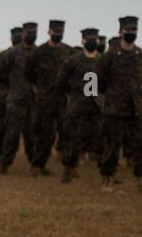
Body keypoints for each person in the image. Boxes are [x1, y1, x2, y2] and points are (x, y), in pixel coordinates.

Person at [96, 15, 141, 192]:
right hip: (114, 109)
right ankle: (107, 179)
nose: (132, 33)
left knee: (139, 145)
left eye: (134, 30)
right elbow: (92, 78)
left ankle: (140, 179)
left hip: (136, 110)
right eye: (129, 30)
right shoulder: (110, 55)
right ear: (121, 32)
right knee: (111, 146)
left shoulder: (140, 55)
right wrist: (97, 99)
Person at [55, 27, 103, 183]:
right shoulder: (73, 60)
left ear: (98, 41)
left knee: (100, 138)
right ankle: (69, 169)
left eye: (94, 39)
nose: (91, 41)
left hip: (97, 106)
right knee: (75, 139)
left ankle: (106, 173)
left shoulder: (103, 61)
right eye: (88, 38)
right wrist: (73, 94)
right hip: (78, 106)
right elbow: (60, 82)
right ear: (83, 41)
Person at [27, 19, 73, 175]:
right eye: (56, 32)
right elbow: (29, 73)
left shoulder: (69, 52)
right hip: (45, 100)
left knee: (67, 133)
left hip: (62, 100)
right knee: (45, 135)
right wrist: (40, 88)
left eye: (61, 32)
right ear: (49, 32)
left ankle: (69, 167)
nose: (58, 35)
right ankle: (37, 165)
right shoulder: (39, 52)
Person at [0, 21, 39, 174]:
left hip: (33, 101)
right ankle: (4, 164)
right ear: (23, 34)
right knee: (11, 135)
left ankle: (35, 165)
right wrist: (13, 85)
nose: (31, 35)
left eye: (34, 32)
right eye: (29, 33)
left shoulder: (40, 53)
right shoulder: (12, 54)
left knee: (32, 134)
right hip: (16, 100)